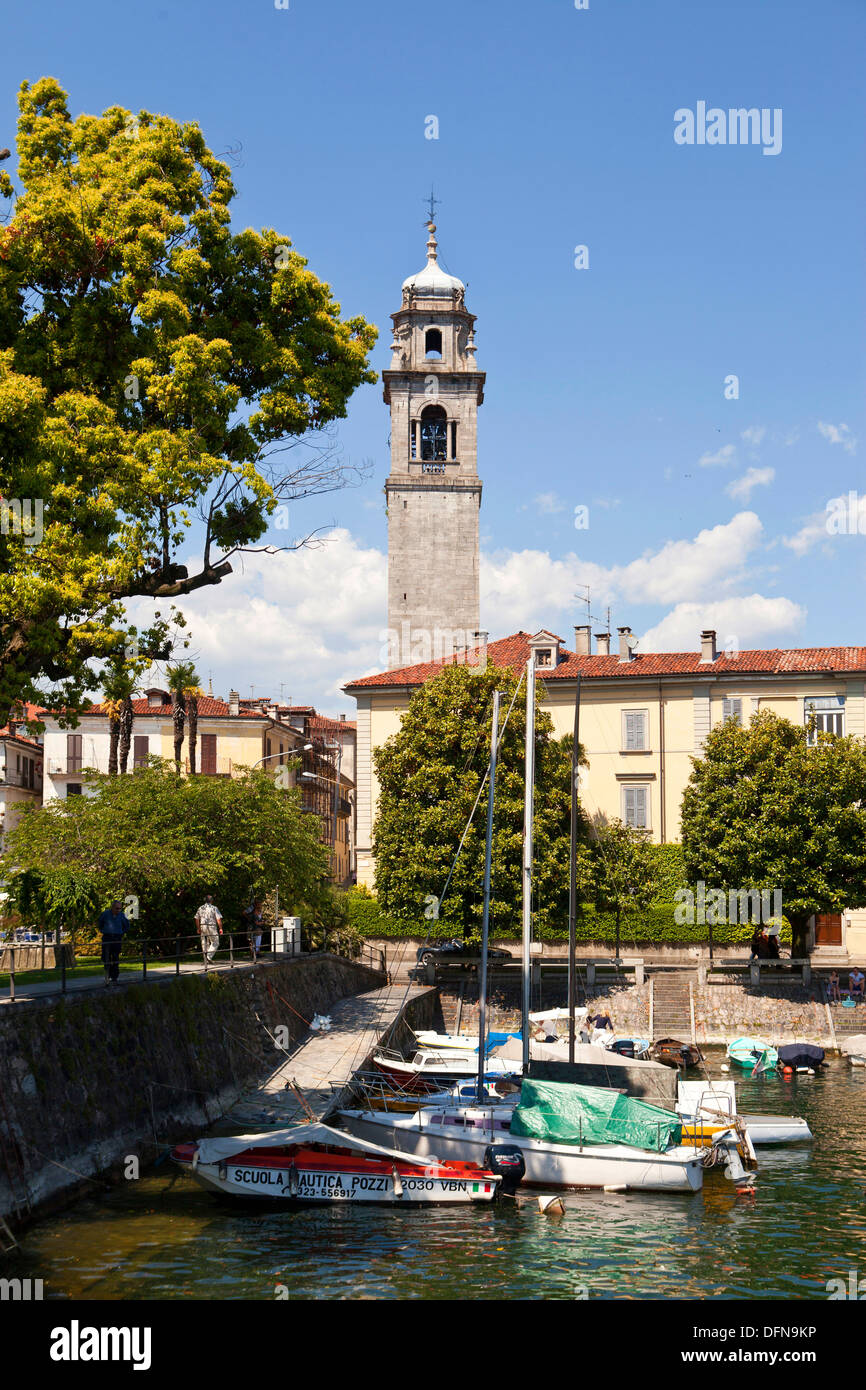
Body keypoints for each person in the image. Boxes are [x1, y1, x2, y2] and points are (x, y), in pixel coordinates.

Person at [98, 899, 131, 987]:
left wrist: (120, 932)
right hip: (107, 937)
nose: (118, 910)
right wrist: (103, 930)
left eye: (120, 908)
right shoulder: (105, 914)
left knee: (115, 957)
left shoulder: (122, 915)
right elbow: (100, 923)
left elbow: (127, 926)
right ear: (112, 907)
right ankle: (107, 973)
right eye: (117, 908)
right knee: (105, 957)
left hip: (117, 937)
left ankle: (114, 976)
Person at [195, 894, 223, 966]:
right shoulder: (214, 908)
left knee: (204, 942)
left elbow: (197, 918)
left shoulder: (201, 908)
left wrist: (198, 928)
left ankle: (205, 959)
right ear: (212, 901)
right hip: (211, 926)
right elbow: (218, 919)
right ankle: (208, 957)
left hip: (203, 926)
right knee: (215, 942)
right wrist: (220, 928)